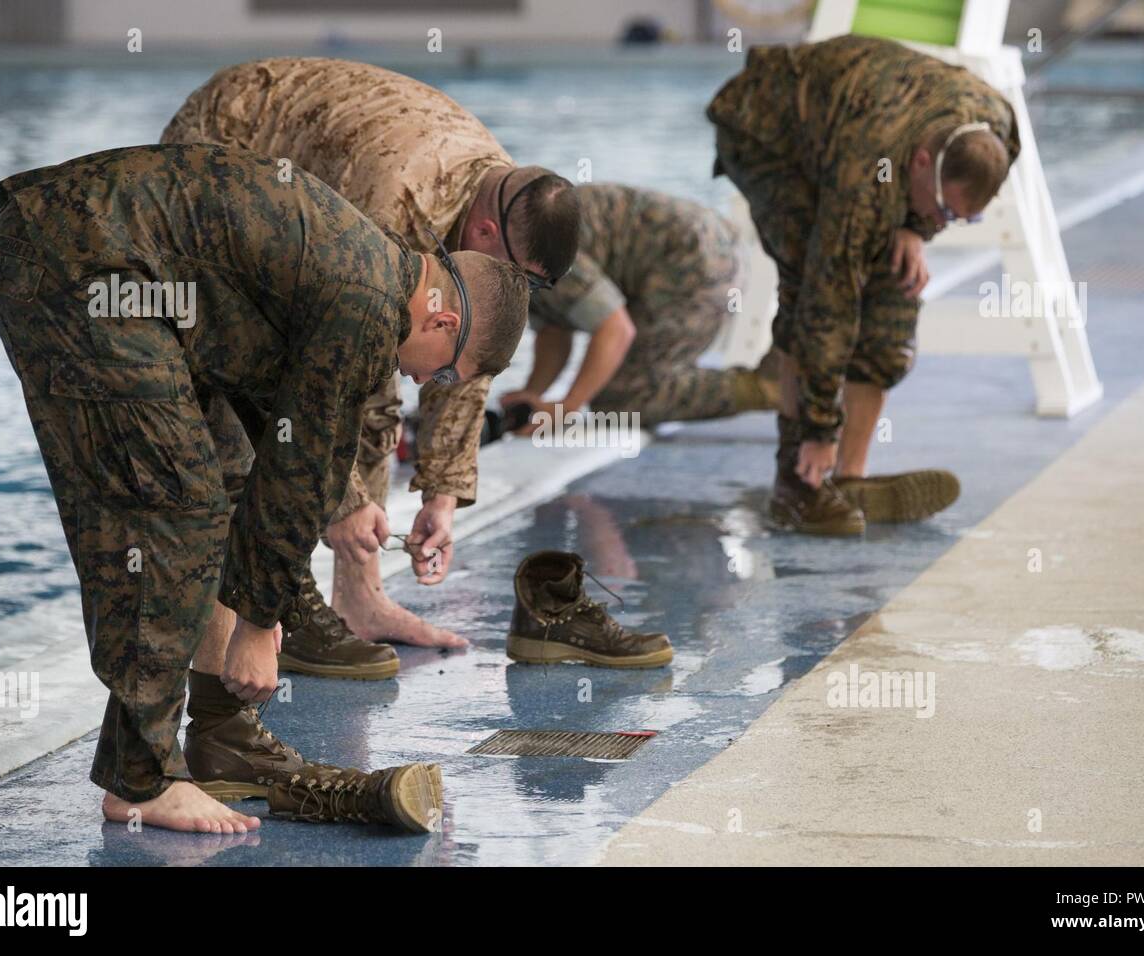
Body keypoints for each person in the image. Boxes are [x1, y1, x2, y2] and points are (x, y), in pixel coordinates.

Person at [0, 143, 529, 832]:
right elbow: (301, 469)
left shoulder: (368, 270)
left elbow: (288, 444)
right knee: (174, 512)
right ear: (443, 320)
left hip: (84, 249)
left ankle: (221, 736)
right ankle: (138, 780)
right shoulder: (368, 307)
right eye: (446, 371)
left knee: (218, 482)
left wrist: (341, 508)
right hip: (81, 263)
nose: (424, 383)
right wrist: (262, 629)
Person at [163, 57, 579, 662]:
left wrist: (441, 492)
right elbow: (323, 366)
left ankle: (358, 600)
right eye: (521, 279)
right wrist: (345, 501)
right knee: (238, 397)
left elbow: (465, 348)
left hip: (322, 152)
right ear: (485, 232)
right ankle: (249, 627)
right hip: (230, 136)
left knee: (387, 368)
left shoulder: (502, 197)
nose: (518, 292)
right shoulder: (394, 204)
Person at [707, 34, 1021, 534]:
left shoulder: (999, 128)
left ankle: (849, 478)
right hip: (768, 131)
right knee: (807, 282)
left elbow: (937, 200)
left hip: (859, 131)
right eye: (942, 211)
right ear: (921, 162)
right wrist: (818, 430)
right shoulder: (866, 172)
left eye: (961, 219)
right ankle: (798, 484)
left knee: (896, 285)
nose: (946, 223)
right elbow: (826, 307)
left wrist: (916, 227)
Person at [499, 182, 778, 429]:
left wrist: (565, 409)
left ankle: (764, 388)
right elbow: (554, 333)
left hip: (697, 263)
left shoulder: (535, 255)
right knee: (615, 381)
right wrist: (532, 396)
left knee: (620, 399)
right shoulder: (514, 245)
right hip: (707, 247)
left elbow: (615, 329)